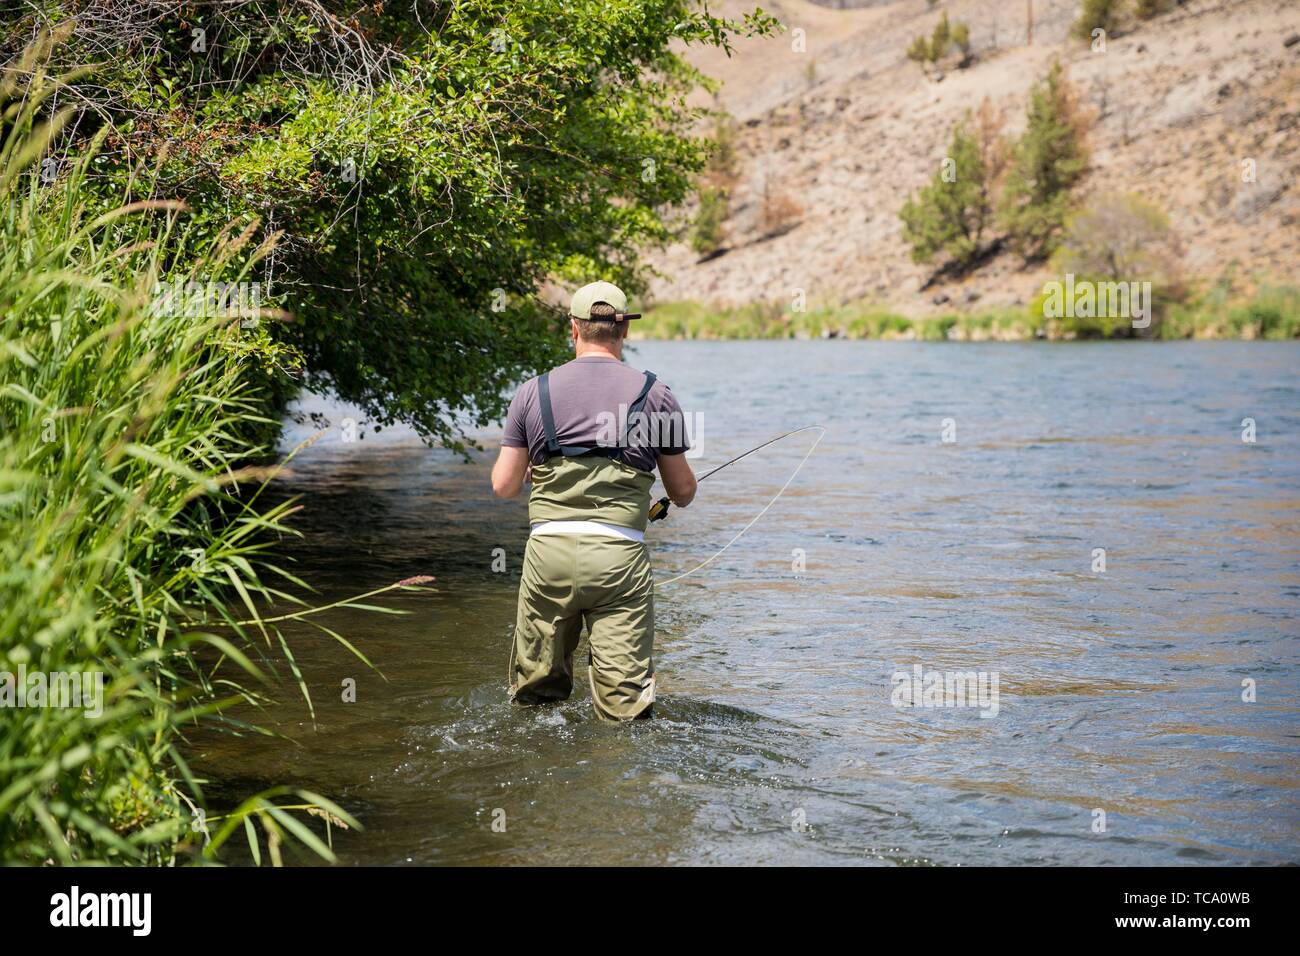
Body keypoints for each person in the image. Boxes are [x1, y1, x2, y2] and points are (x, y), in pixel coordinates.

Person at [491, 281, 697, 720]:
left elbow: (504, 486)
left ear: (574, 330)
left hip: (549, 556)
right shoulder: (656, 395)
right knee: (626, 712)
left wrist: (537, 469)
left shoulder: (533, 391)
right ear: (623, 331)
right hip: (618, 558)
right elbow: (682, 492)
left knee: (534, 701)